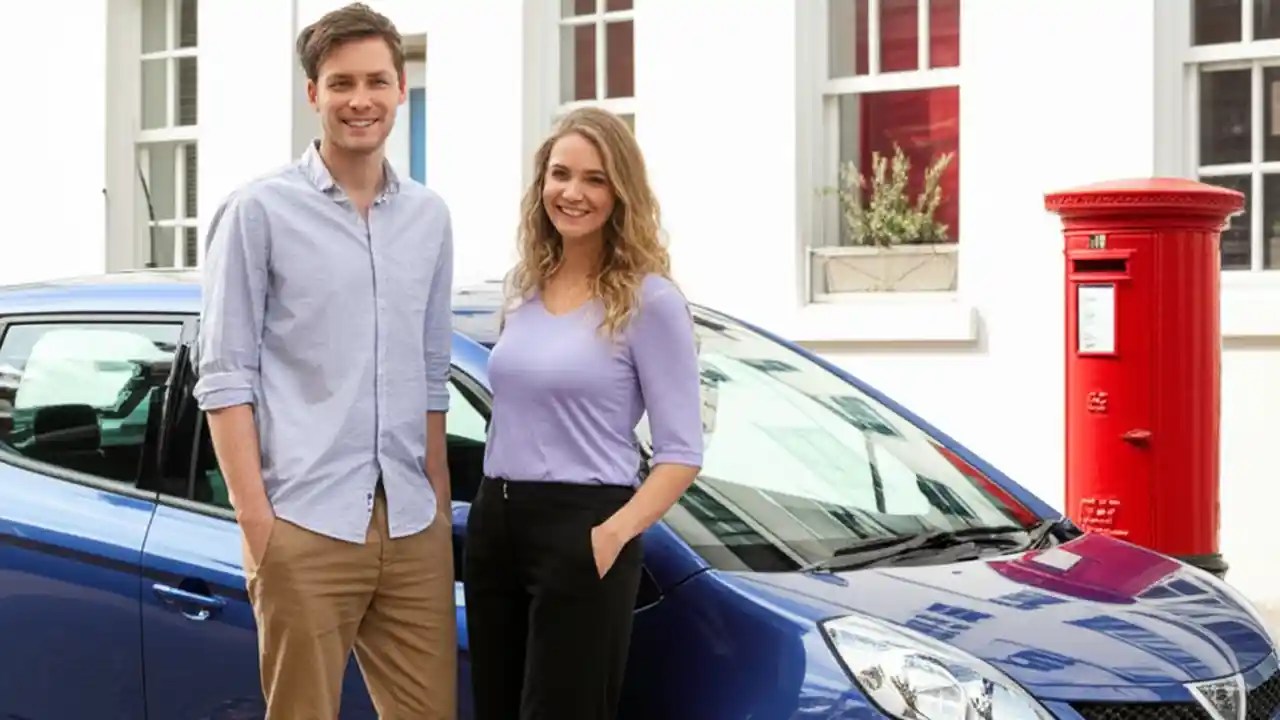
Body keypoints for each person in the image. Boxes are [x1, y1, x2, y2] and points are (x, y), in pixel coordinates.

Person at [193, 3, 456, 718]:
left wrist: (434, 499)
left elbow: (433, 374)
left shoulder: (429, 218)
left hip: (409, 526)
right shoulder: (258, 212)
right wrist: (260, 527)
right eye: (341, 83)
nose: (359, 100)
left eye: (376, 80)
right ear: (313, 94)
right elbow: (224, 377)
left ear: (403, 88)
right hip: (303, 523)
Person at [464, 106, 705, 719]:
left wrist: (610, 536)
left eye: (595, 179)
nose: (572, 192)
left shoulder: (650, 301)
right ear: (541, 182)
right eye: (560, 174)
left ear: (621, 192)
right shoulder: (524, 287)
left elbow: (680, 454)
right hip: (497, 520)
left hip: (584, 526)